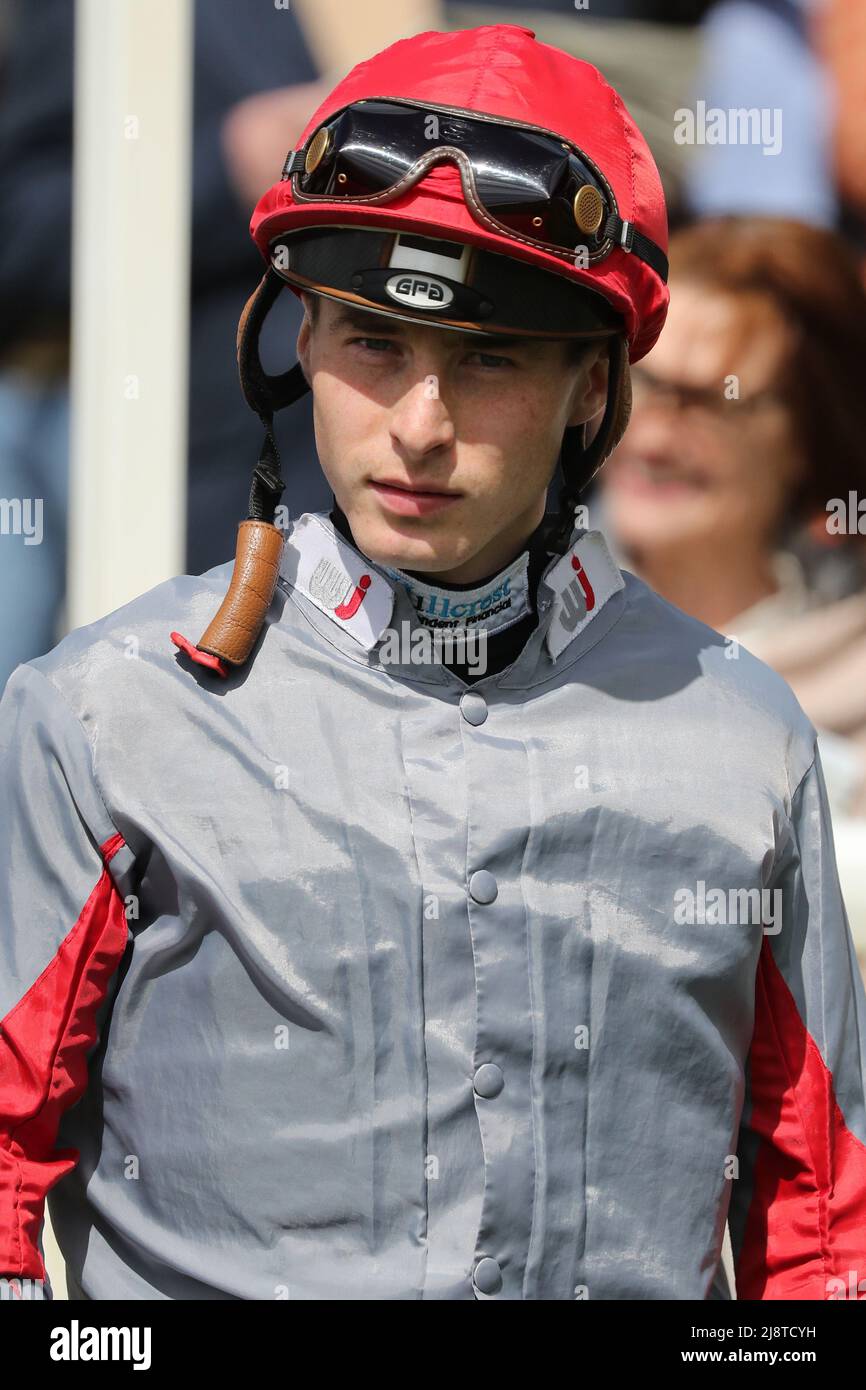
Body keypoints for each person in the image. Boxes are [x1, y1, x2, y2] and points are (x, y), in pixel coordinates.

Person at [1, 24, 864, 1303]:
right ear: (293, 339)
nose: (418, 425)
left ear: (591, 388)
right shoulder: (98, 709)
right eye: (372, 345)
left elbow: (822, 1231)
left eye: (489, 359)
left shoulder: (742, 730)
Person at [598, 214, 866, 962]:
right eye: (643, 382)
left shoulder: (853, 673)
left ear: (809, 436)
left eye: (714, 401)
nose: (650, 438)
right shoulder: (517, 615)